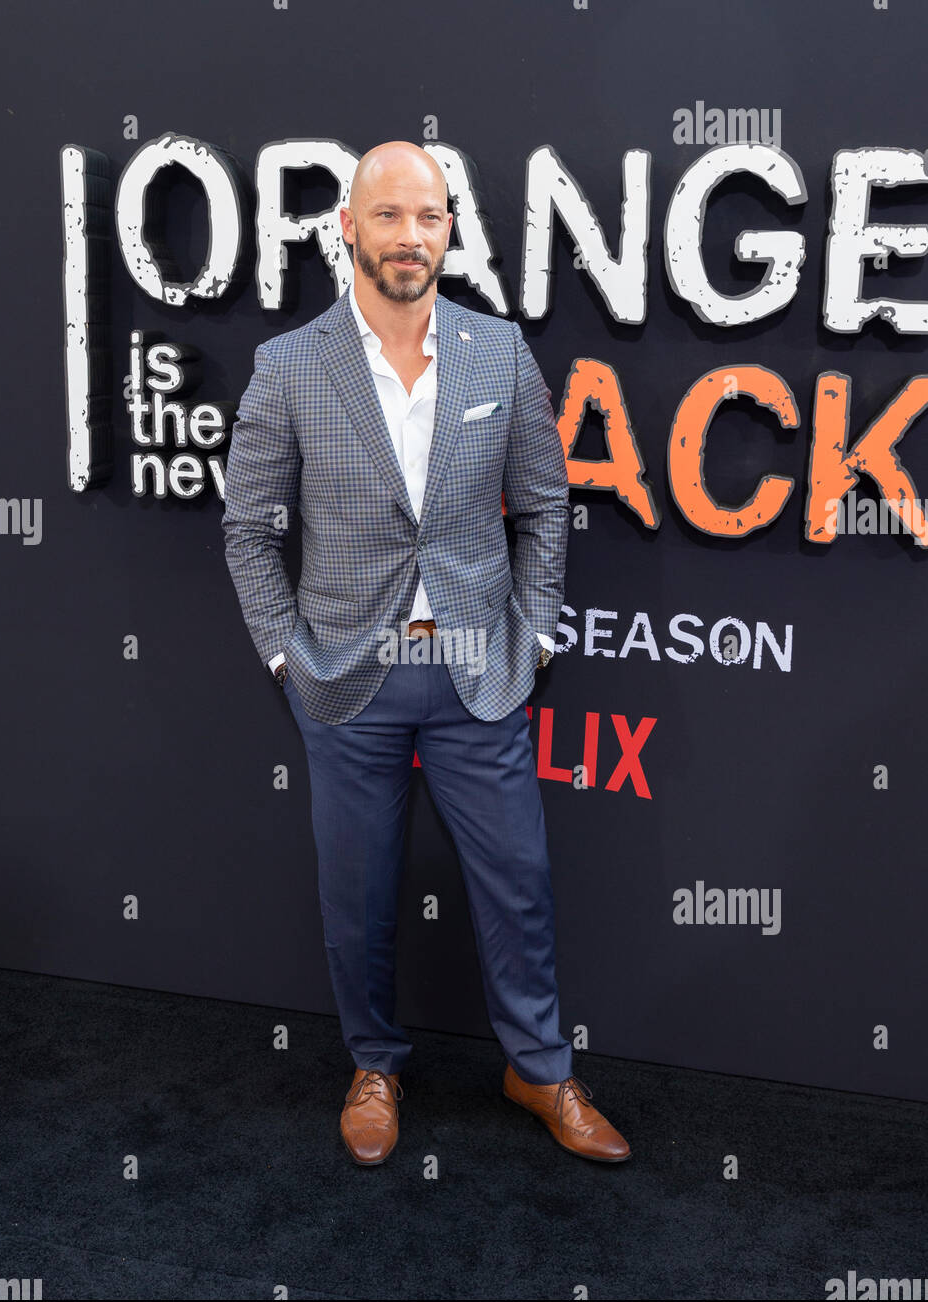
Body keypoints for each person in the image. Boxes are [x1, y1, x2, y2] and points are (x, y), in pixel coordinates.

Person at [222, 140, 630, 1167]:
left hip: (474, 671)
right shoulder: (288, 367)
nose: (412, 236)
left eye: (432, 216)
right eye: (391, 215)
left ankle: (538, 1067)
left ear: (449, 230)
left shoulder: (497, 352)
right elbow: (248, 530)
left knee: (519, 880)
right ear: (348, 229)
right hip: (346, 678)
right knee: (356, 897)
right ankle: (374, 1064)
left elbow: (543, 505)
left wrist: (533, 635)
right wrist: (284, 656)